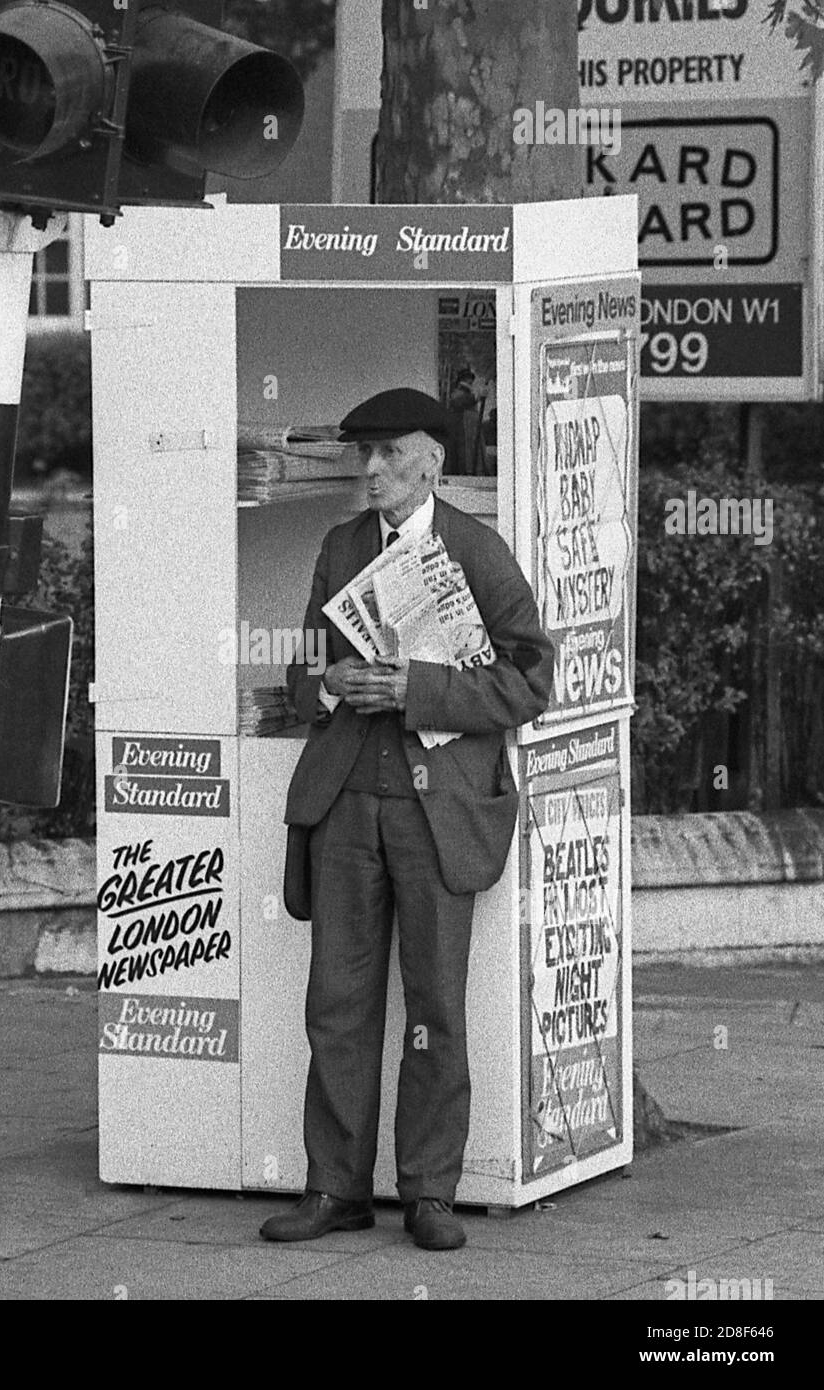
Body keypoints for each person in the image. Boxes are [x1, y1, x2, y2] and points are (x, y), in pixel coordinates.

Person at [259, 388, 554, 1251]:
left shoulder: (477, 552)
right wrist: (329, 685)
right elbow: (299, 671)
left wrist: (419, 690)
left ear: (430, 460)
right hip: (348, 798)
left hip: (438, 810)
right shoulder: (342, 544)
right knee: (336, 1002)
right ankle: (335, 1188)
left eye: (388, 454)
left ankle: (429, 1192)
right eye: (364, 455)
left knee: (434, 1004)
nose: (371, 470)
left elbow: (530, 681)